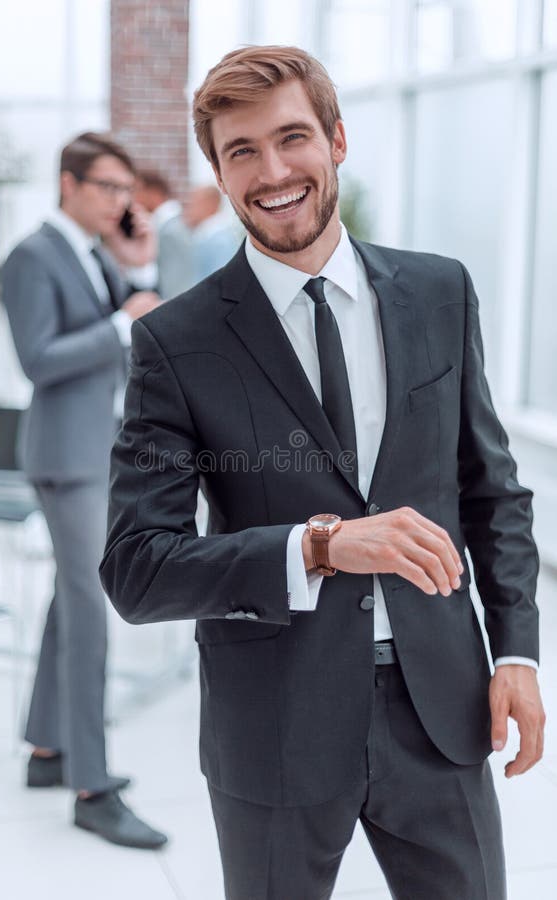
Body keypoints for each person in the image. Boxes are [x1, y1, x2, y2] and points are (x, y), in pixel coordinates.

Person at [100, 47, 544, 898]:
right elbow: (137, 569)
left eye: (291, 138)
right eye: (241, 152)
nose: (272, 172)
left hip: (440, 709)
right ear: (219, 177)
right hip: (274, 723)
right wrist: (320, 547)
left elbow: (491, 493)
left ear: (336, 140)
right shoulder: (174, 343)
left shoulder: (439, 292)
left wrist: (517, 655)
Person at [0, 131, 167, 850]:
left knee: (71, 611)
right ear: (67, 183)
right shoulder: (31, 257)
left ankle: (47, 750)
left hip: (96, 451)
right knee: (91, 614)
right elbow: (39, 360)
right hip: (66, 458)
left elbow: (143, 308)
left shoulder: (90, 252)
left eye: (125, 191)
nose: (119, 202)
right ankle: (91, 788)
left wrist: (136, 263)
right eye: (108, 188)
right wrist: (119, 322)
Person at [133, 169, 194, 300]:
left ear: (153, 192)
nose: (134, 198)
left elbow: (177, 285)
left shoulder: (171, 230)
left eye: (137, 191)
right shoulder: (170, 225)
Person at [183, 184, 239, 281]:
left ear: (210, 204)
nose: (188, 209)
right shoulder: (205, 235)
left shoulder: (220, 241)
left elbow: (220, 281)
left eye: (194, 203)